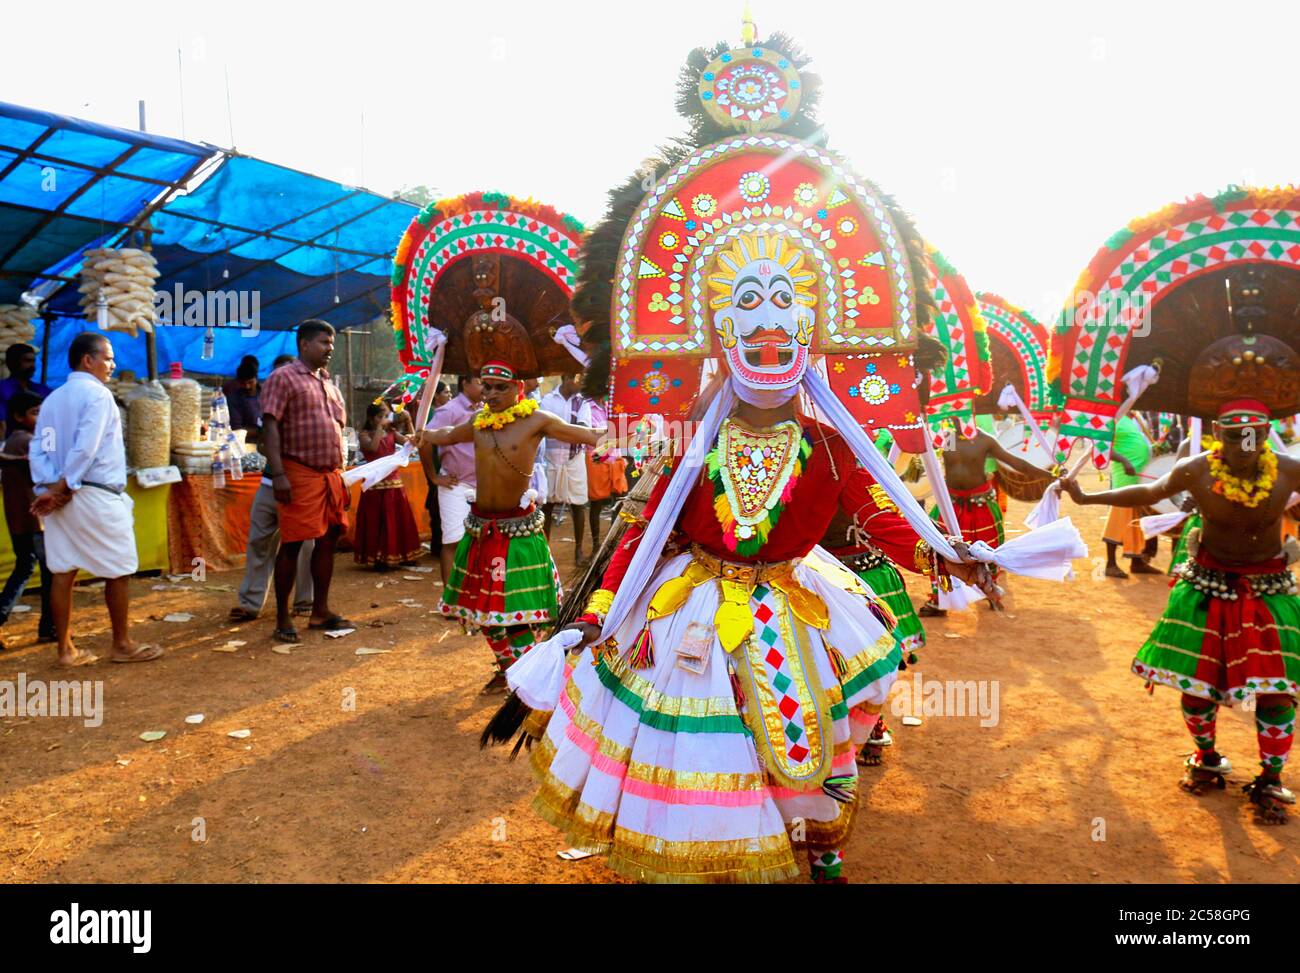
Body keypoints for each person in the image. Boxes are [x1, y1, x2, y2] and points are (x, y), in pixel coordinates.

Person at [514, 231, 989, 883]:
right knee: (708, 738)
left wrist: (947, 557)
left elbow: (881, 514)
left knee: (816, 721)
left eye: (782, 328)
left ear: (806, 341)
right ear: (727, 343)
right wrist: (601, 611)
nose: (768, 341)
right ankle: (716, 850)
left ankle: (819, 845)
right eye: (751, 327)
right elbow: (647, 530)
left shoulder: (831, 444)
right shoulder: (692, 441)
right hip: (694, 605)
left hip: (796, 601)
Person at [1064, 398, 1300, 822]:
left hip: (1269, 591)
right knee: (1197, 686)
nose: (1245, 445)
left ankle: (1271, 777)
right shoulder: (1197, 469)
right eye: (1234, 436)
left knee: (1277, 690)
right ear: (1216, 433)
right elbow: (1150, 492)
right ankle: (1207, 757)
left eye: (1256, 435)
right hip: (1205, 588)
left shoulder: (1288, 468)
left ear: (1268, 434)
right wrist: (1086, 497)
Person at [419, 360, 602, 693]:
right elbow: (443, 436)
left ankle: (526, 676)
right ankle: (510, 670)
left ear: (519, 388)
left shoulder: (538, 420)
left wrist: (631, 430)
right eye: (485, 386)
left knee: (516, 610)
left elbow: (590, 436)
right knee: (485, 612)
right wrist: (421, 434)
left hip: (518, 533)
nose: (490, 393)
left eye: (499, 387)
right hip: (481, 531)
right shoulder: (478, 422)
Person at [30, 332, 162, 666]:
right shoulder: (99, 396)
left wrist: (49, 488)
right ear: (88, 360)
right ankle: (121, 643)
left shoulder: (52, 400)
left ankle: (65, 649)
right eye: (108, 358)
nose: (113, 365)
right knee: (118, 569)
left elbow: (40, 449)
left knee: (63, 570)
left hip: (64, 497)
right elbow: (86, 448)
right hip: (92, 493)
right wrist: (62, 488)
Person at [260, 319, 352, 642]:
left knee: (328, 540)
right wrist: (280, 474)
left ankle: (319, 611)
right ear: (304, 345)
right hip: (297, 473)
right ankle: (283, 616)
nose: (330, 349)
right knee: (294, 543)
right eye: (324, 343)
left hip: (330, 476)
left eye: (332, 344)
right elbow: (269, 428)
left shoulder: (328, 383)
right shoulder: (282, 378)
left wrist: (342, 474)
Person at [920, 421, 1054, 616]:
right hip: (949, 505)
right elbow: (920, 451)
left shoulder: (984, 440)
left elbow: (1017, 463)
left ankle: (990, 592)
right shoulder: (945, 437)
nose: (956, 416)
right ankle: (941, 599)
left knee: (987, 552)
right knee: (941, 551)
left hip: (980, 504)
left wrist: (1049, 475)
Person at [229, 355, 315, 623]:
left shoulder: (307, 408)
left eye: (284, 375)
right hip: (268, 482)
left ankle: (304, 601)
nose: (278, 381)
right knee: (259, 541)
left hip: (300, 485)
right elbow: (265, 442)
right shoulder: (268, 410)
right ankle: (251, 603)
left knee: (305, 545)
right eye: (275, 376)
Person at [0, 391, 53, 648]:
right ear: (19, 416)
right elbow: (46, 473)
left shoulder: (15, 440)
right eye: (35, 413)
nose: (41, 417)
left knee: (24, 568)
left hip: (20, 520)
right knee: (49, 571)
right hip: (34, 521)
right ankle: (49, 626)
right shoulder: (26, 441)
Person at [353, 403, 422, 569]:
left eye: (385, 416)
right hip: (374, 485)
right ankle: (379, 558)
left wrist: (409, 422)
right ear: (372, 418)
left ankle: (403, 555)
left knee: (398, 520)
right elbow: (373, 448)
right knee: (377, 522)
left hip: (393, 484)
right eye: (380, 416)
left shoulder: (391, 432)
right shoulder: (364, 434)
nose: (384, 419)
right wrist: (378, 428)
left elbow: (412, 442)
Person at [429, 375, 482, 584]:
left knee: (479, 542)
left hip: (483, 485)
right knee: (454, 541)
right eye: (479, 381)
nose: (485, 387)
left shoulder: (487, 410)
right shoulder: (448, 410)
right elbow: (424, 439)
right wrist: (434, 476)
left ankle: (472, 595)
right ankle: (451, 600)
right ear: (465, 383)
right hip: (455, 484)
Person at [540, 372, 593, 556]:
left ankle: (578, 549)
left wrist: (558, 431)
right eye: (579, 380)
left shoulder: (583, 401)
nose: (582, 384)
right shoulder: (547, 400)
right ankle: (544, 549)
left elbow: (584, 428)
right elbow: (544, 430)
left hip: (574, 457)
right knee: (546, 504)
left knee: (578, 504)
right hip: (551, 457)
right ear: (567, 378)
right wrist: (568, 431)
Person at [1101, 413, 1160, 578]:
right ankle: (1110, 564)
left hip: (1140, 478)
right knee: (1118, 520)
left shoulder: (1134, 417)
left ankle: (1137, 562)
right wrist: (1125, 461)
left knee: (1136, 521)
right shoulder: (1114, 418)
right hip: (1125, 478)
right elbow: (1103, 447)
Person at [583, 397, 628, 558]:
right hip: (596, 461)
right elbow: (585, 432)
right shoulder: (587, 406)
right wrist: (608, 432)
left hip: (616, 459)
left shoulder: (614, 406)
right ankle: (596, 545)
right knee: (596, 504)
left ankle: (612, 543)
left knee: (620, 501)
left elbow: (623, 430)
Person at [418, 381, 452, 563]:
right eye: (446, 392)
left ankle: (439, 545)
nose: (450, 396)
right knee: (437, 503)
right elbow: (425, 442)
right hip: (437, 467)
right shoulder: (432, 415)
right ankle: (439, 546)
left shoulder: (445, 413)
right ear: (436, 396)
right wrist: (433, 475)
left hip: (441, 468)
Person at [0, 343, 53, 442]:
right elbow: (1, 424)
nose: (32, 366)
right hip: (13, 445)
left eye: (33, 361)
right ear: (12, 363)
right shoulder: (2, 389)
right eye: (27, 361)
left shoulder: (43, 390)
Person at [222, 355, 262, 437]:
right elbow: (236, 429)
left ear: (257, 379)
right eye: (243, 383)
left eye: (250, 382)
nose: (247, 386)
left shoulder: (267, 393)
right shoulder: (233, 398)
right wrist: (263, 431)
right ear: (238, 381)